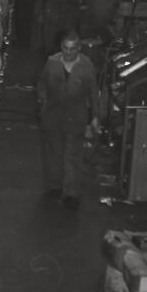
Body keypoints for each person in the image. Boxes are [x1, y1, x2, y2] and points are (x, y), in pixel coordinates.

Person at [36, 29, 99, 210]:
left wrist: (95, 116)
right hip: (53, 114)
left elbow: (93, 93)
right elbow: (41, 84)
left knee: (72, 154)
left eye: (72, 49)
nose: (68, 52)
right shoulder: (52, 63)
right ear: (61, 47)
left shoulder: (86, 66)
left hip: (76, 115)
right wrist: (43, 101)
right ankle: (55, 185)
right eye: (65, 48)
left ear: (79, 48)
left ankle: (71, 191)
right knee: (54, 152)